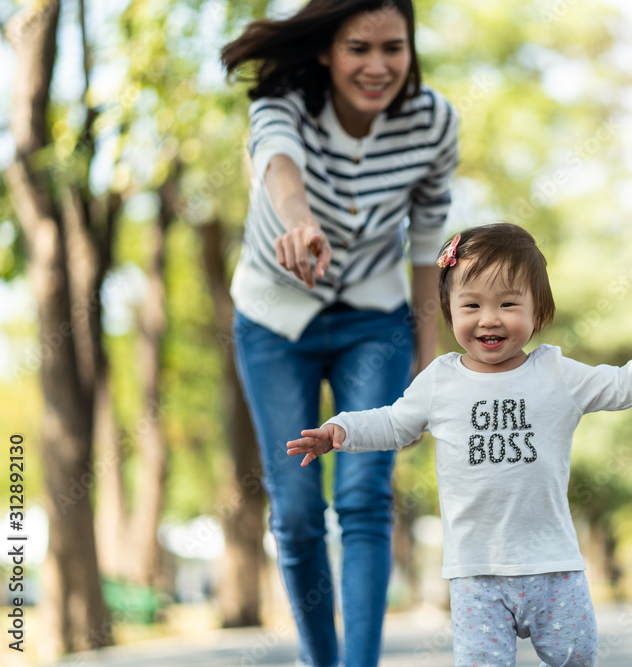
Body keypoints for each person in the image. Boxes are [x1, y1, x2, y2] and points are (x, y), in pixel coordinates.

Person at [286, 223, 632, 666]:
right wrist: (341, 431)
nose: (489, 318)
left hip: (553, 566)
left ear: (538, 313)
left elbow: (624, 385)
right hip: (475, 574)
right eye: (471, 305)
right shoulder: (441, 381)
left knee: (577, 656)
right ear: (450, 311)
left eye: (508, 303)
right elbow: (393, 423)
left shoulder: (557, 374)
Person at [220, 0, 458, 664]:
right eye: (359, 48)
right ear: (326, 50)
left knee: (363, 494)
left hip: (374, 320)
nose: (378, 66)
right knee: (296, 509)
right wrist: (298, 219)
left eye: (394, 48)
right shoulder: (283, 100)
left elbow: (430, 242)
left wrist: (426, 349)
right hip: (274, 320)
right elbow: (278, 164)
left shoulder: (433, 123)